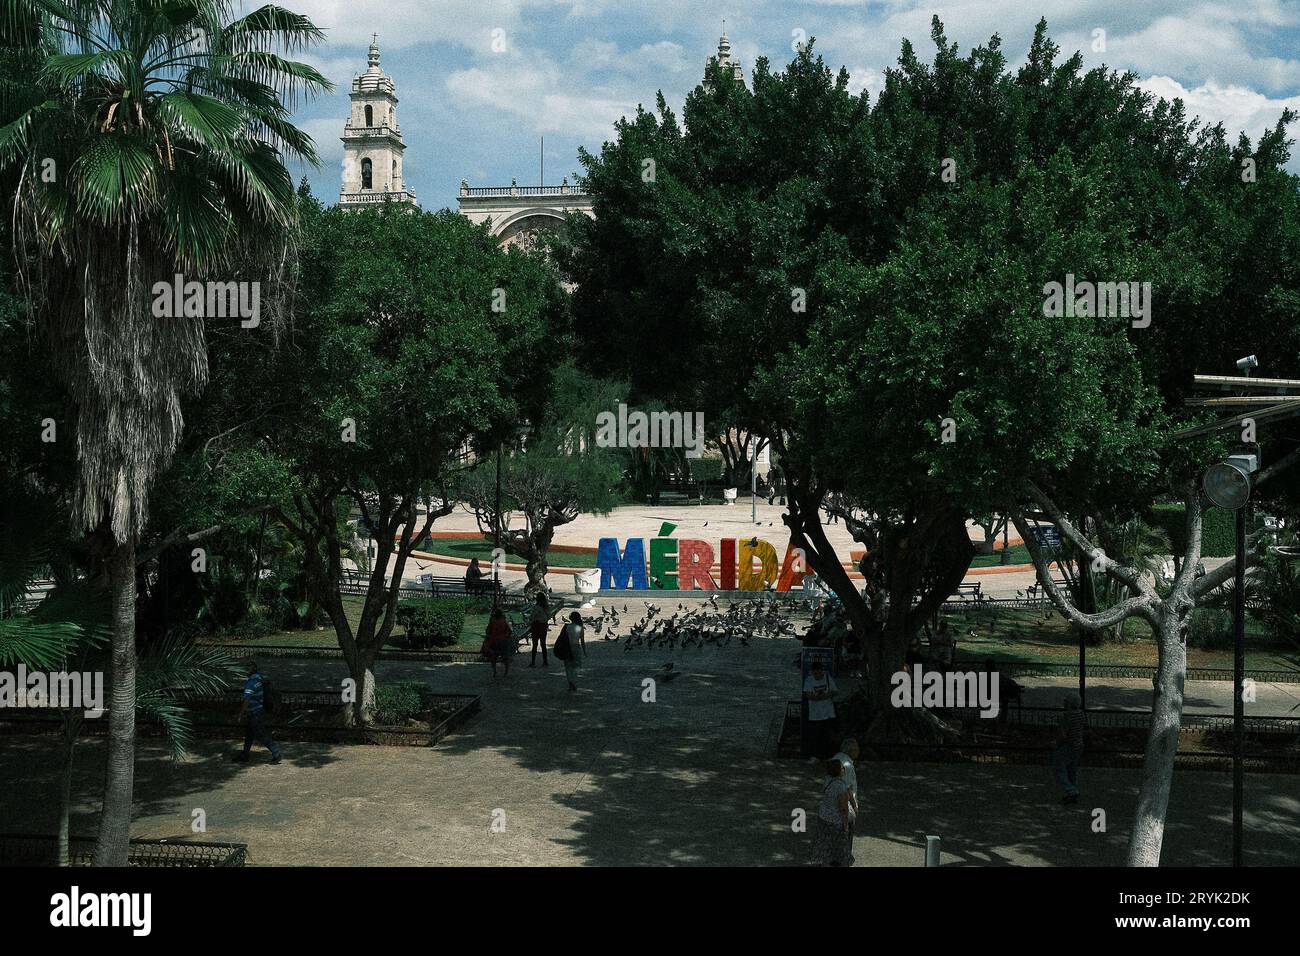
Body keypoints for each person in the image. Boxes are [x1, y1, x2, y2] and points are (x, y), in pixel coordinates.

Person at [234, 660, 280, 765]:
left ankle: (276, 752)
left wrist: (240, 714)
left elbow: (246, 700)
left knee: (260, 734)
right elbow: (266, 682)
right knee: (249, 734)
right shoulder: (258, 677)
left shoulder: (250, 683)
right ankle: (245, 754)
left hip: (254, 713)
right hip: (259, 711)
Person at [815, 758, 852, 866]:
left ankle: (823, 862)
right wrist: (846, 826)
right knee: (838, 848)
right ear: (838, 770)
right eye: (842, 767)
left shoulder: (827, 780)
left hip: (823, 817)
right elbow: (843, 809)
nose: (844, 769)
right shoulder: (841, 787)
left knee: (825, 843)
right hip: (835, 821)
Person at [1052, 692, 1086, 804]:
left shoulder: (1066, 716)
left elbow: (1063, 734)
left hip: (1068, 745)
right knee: (1072, 770)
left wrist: (1056, 744)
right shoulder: (1081, 714)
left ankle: (1071, 791)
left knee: (1058, 767)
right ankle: (1073, 792)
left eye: (1066, 701)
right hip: (1079, 745)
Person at [831, 738, 860, 865]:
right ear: (852, 750)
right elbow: (847, 788)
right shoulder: (847, 766)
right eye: (857, 748)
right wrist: (854, 806)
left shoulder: (836, 758)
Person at [802, 659, 838, 759]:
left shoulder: (827, 678)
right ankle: (816, 755)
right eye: (816, 672)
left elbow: (834, 691)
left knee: (827, 735)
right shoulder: (809, 680)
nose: (818, 675)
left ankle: (827, 755)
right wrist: (823, 696)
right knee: (815, 736)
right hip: (815, 714)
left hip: (827, 713)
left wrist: (818, 697)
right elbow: (809, 695)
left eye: (819, 672)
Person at [557, 610, 587, 693]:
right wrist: (584, 651)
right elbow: (582, 641)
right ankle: (574, 681)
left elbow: (562, 638)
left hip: (567, 648)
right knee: (575, 666)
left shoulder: (567, 627)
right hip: (576, 648)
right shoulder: (580, 628)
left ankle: (570, 682)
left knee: (568, 667)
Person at [482, 607, 513, 680]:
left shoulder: (492, 621)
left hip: (494, 642)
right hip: (503, 642)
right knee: (505, 657)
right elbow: (509, 631)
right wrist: (506, 636)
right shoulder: (504, 621)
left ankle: (495, 671)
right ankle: (506, 672)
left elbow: (487, 631)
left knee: (494, 657)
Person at [529, 592, 550, 667]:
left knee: (535, 644)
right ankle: (545, 661)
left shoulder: (536, 607)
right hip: (544, 626)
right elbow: (548, 616)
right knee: (543, 644)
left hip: (536, 626)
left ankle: (533, 662)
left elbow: (532, 617)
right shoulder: (546, 607)